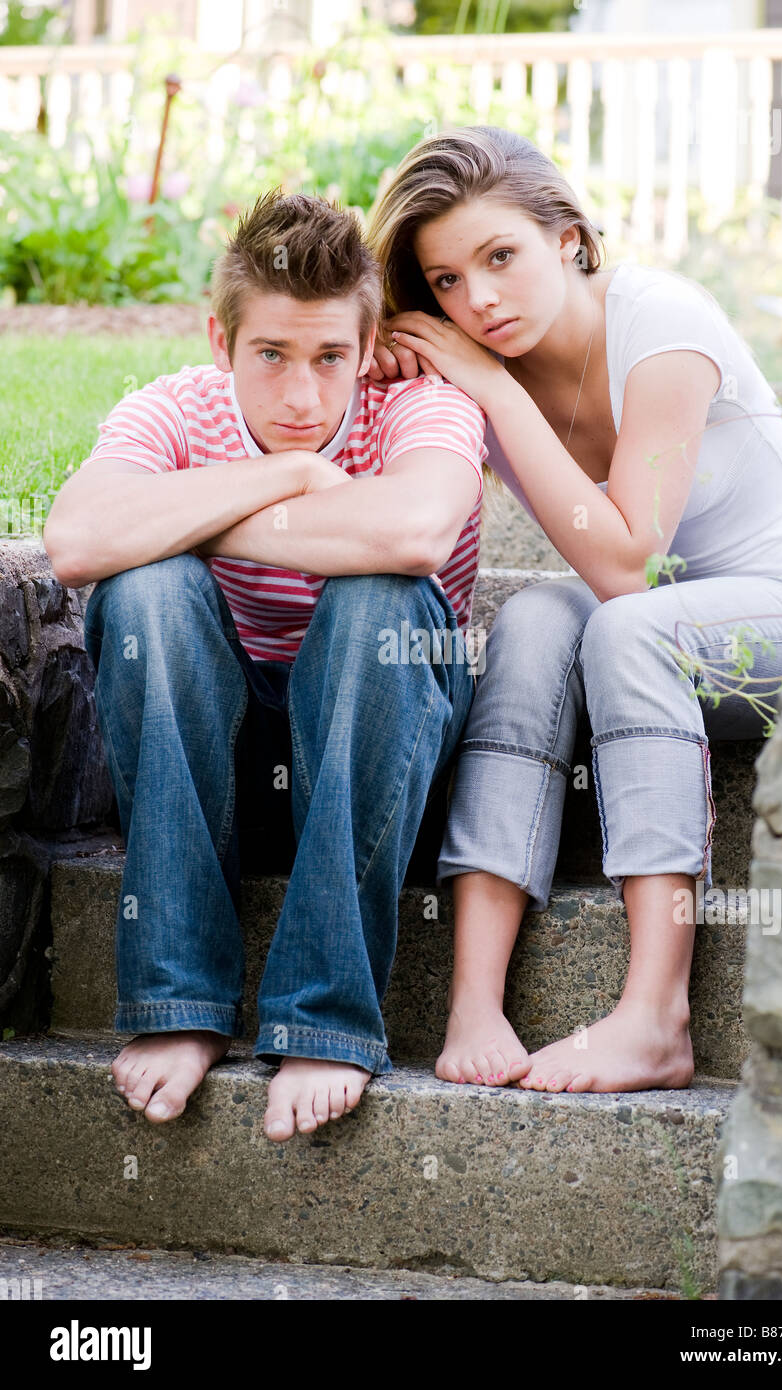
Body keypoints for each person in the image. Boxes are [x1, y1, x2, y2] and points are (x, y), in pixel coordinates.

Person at [364, 124, 782, 1095]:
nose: (479, 299)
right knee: (537, 621)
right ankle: (473, 997)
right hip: (649, 638)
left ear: (571, 240)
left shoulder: (661, 326)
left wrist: (494, 393)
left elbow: (632, 565)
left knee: (623, 621)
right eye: (447, 281)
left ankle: (654, 1015)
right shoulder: (476, 361)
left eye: (499, 256)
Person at [42, 189, 487, 1138]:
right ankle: (177, 1002)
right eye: (271, 356)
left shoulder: (421, 408)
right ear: (220, 340)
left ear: (367, 350)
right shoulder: (172, 408)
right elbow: (78, 540)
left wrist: (196, 519)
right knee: (146, 592)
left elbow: (412, 530)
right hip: (225, 754)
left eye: (331, 357)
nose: (301, 396)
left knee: (380, 599)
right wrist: (291, 475)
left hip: (378, 746)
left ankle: (325, 1014)